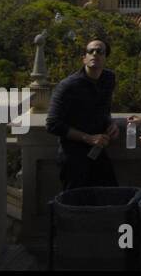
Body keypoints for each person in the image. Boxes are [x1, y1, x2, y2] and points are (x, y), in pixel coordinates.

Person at [47, 37, 121, 190]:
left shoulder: (108, 79)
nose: (95, 54)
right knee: (74, 203)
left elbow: (104, 108)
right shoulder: (68, 86)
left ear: (105, 58)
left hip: (98, 151)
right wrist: (88, 138)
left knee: (111, 197)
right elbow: (52, 124)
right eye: (90, 51)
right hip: (73, 155)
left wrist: (110, 123)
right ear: (84, 58)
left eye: (99, 51)